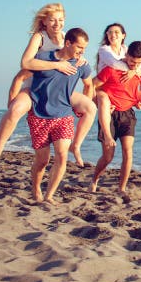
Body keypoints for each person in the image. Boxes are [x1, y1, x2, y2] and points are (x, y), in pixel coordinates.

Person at [0, 3, 97, 173]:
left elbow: (78, 55)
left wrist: (82, 58)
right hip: (35, 87)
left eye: (60, 20)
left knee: (90, 107)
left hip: (59, 90)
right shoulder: (39, 37)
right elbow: (25, 63)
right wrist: (57, 66)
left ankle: (76, 146)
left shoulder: (68, 37)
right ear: (44, 21)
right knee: (15, 110)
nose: (57, 24)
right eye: (52, 20)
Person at [27, 28, 94, 205]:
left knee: (62, 155)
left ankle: (49, 195)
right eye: (79, 47)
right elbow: (24, 69)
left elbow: (89, 85)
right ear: (68, 43)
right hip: (39, 114)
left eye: (84, 48)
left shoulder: (82, 65)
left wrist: (83, 104)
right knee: (42, 160)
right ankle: (36, 191)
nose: (82, 51)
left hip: (64, 115)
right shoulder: (44, 58)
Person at [90, 41, 141, 196]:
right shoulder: (111, 69)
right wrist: (97, 100)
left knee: (128, 151)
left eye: (138, 62)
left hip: (127, 114)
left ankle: (121, 188)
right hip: (109, 113)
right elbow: (93, 84)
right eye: (131, 61)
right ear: (126, 55)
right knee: (108, 157)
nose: (134, 65)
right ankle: (94, 179)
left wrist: (139, 102)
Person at [94, 23, 141, 149]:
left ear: (123, 35)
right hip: (105, 88)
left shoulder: (125, 49)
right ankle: (107, 135)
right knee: (104, 99)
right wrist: (133, 70)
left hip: (125, 90)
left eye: (116, 32)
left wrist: (135, 70)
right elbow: (114, 64)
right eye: (110, 32)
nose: (113, 35)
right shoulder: (104, 50)